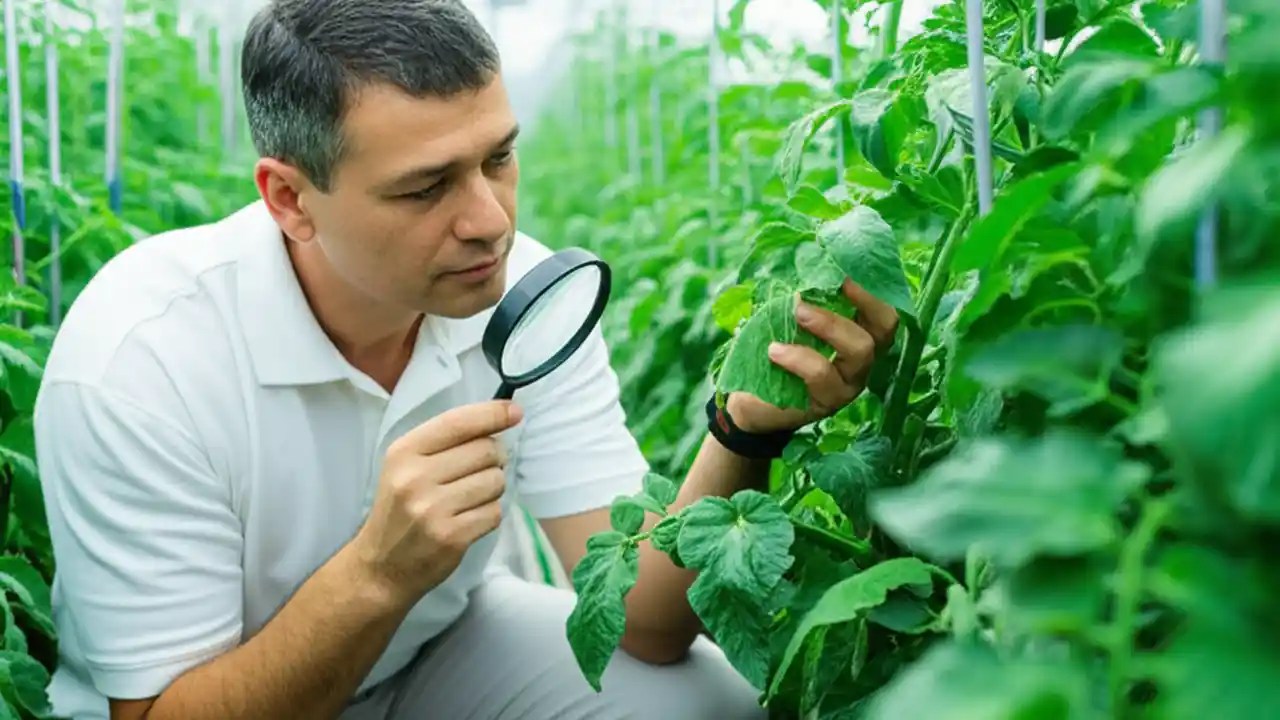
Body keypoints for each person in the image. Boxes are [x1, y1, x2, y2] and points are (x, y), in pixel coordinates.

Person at [31, 1, 900, 718]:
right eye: (425, 186)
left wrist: (743, 428)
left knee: (698, 703)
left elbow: (648, 623)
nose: (490, 220)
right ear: (290, 199)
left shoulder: (522, 295)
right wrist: (377, 571)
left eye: (499, 157)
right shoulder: (144, 358)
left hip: (434, 649)